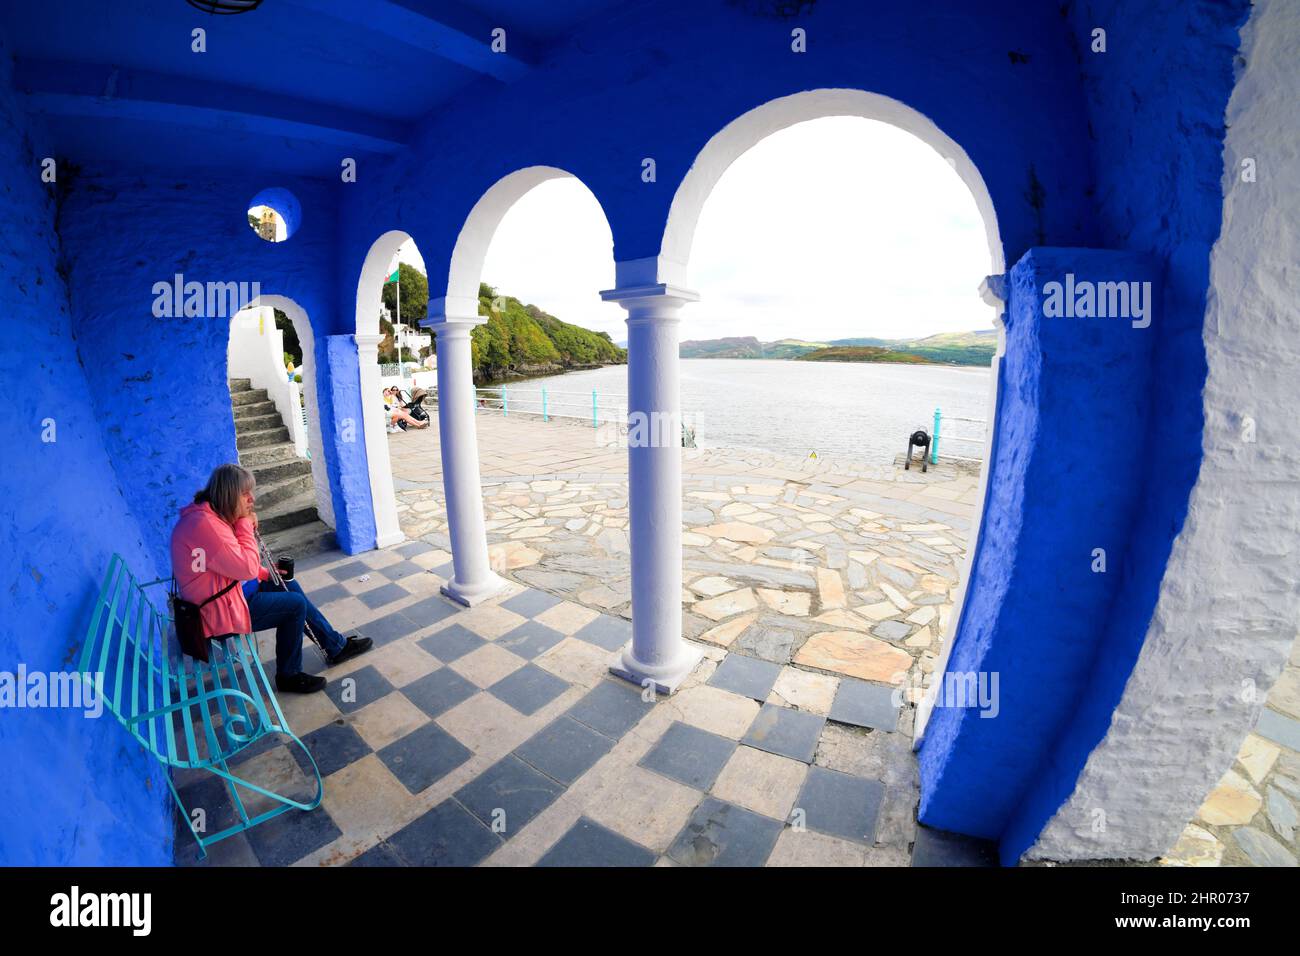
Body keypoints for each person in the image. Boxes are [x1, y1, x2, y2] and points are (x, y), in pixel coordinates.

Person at [169, 463, 372, 693]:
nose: (251, 499)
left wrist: (266, 573)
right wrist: (244, 526)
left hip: (229, 594)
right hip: (216, 613)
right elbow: (244, 567)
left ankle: (335, 646)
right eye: (244, 494)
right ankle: (289, 674)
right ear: (227, 495)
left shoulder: (210, 516)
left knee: (285, 583)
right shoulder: (205, 525)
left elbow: (226, 564)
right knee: (294, 606)